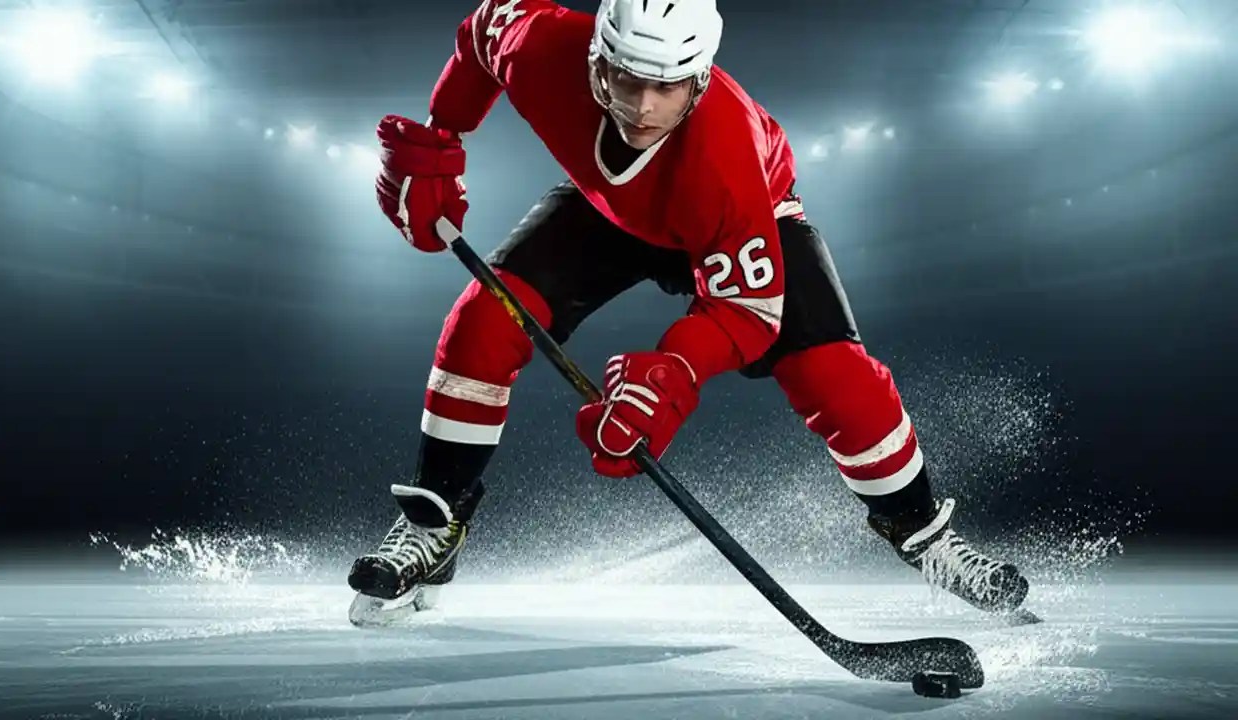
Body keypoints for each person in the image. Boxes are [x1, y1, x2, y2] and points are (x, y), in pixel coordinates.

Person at [349, 0, 1029, 615]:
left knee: (838, 380)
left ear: (700, 80)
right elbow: (478, 36)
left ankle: (925, 536)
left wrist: (671, 374)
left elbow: (746, 313)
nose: (643, 106)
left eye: (667, 85)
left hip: (742, 218)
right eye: (626, 78)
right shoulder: (539, 46)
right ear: (597, 61)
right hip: (611, 211)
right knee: (482, 322)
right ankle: (434, 524)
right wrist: (440, 141)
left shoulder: (723, 153)